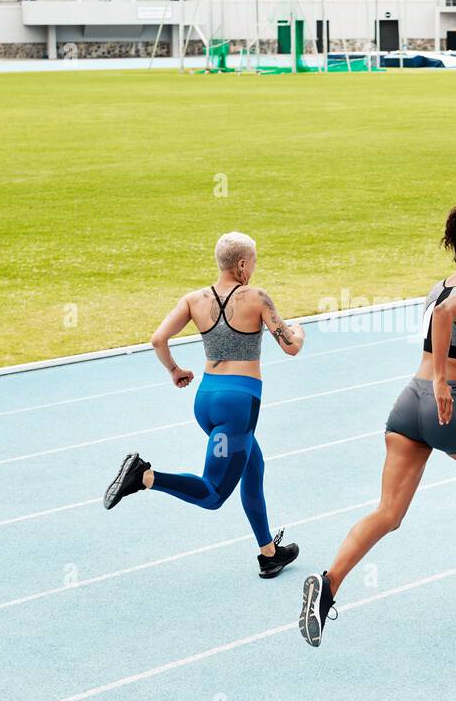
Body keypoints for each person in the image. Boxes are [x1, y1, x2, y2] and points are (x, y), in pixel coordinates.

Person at [300, 203, 456, 646]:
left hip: (408, 404)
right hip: (450, 407)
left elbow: (447, 309)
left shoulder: (438, 288)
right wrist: (446, 379)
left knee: (388, 513)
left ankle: (327, 586)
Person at [104, 231, 306, 579]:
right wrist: (299, 331)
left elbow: (158, 339)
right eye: (254, 261)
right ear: (242, 264)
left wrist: (174, 370)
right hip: (238, 406)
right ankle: (146, 476)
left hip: (207, 402)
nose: (255, 268)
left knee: (252, 466)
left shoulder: (194, 299)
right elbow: (290, 346)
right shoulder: (256, 297)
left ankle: (269, 554)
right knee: (213, 494)